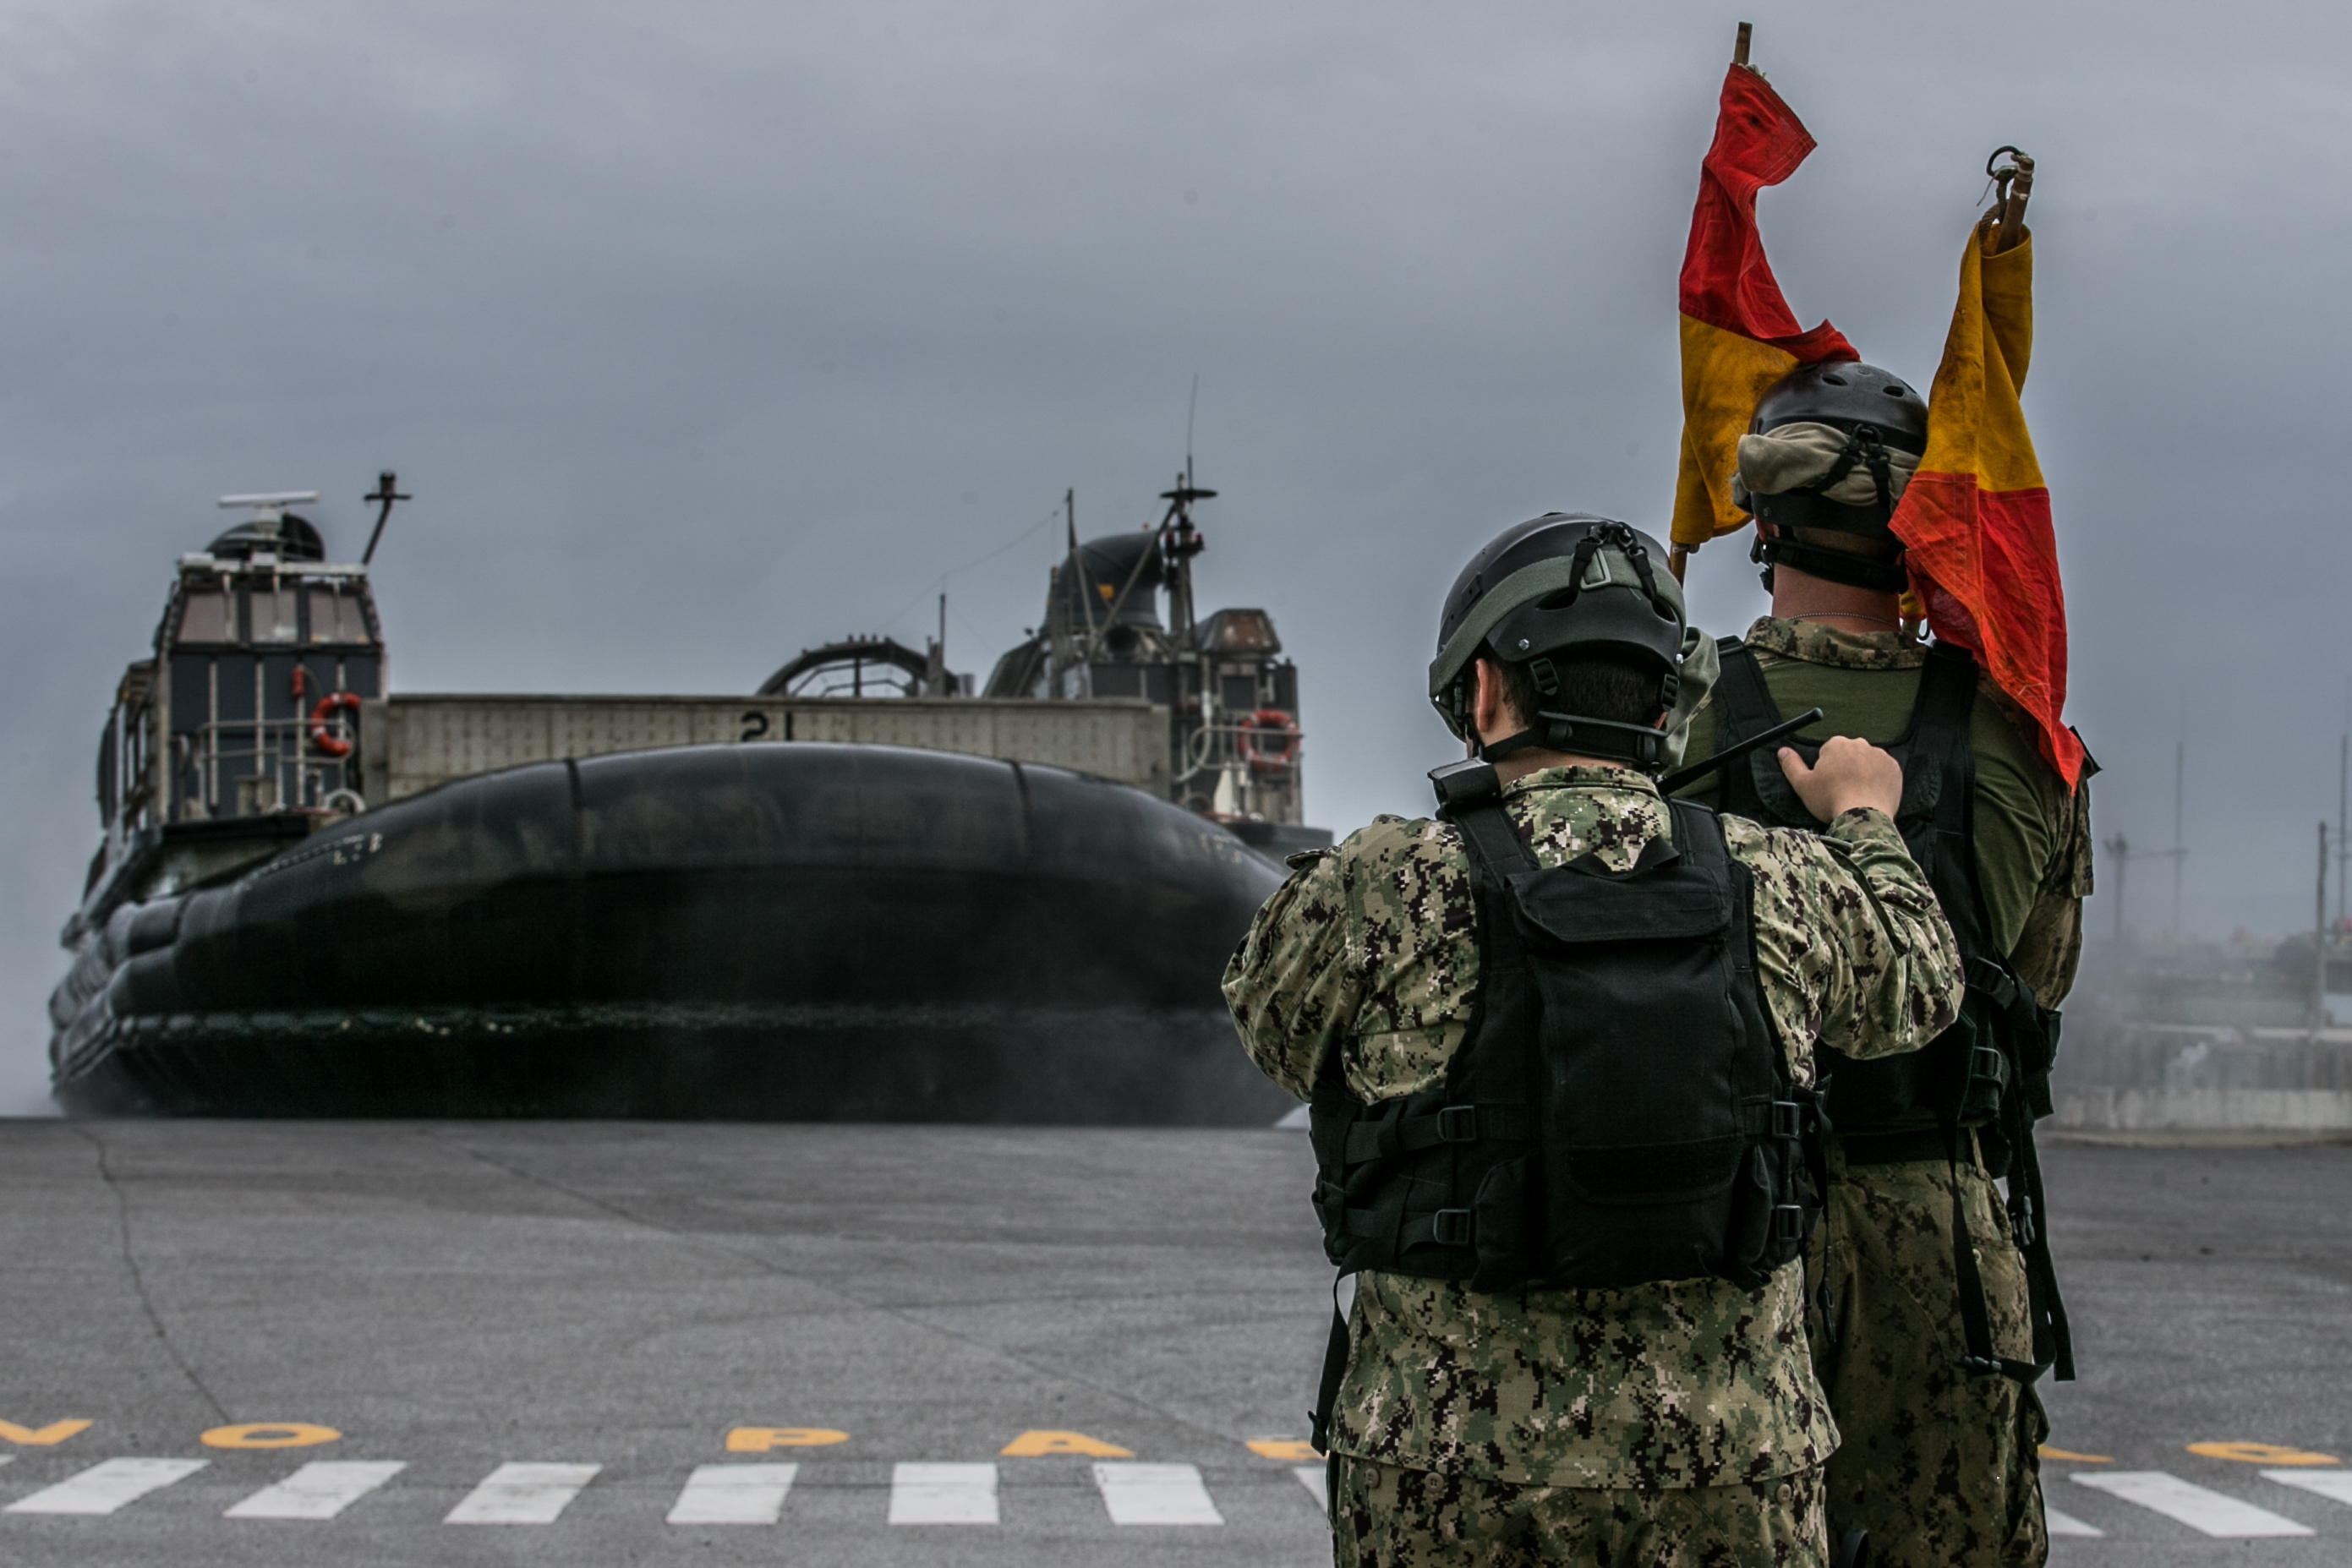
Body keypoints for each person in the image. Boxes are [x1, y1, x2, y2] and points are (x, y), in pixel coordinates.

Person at [1224, 513, 1965, 1567]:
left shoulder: (1382, 881)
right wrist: (1864, 816)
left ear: (1481, 691)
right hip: (1732, 1461)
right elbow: (1922, 989)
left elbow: (1270, 1027)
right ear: (1672, 702)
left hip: (1447, 1470)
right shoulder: (1783, 880)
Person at [1678, 360, 2096, 1568]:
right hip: (1940, 1235)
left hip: (1720, 1218)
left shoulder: (1674, 717)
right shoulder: (2024, 735)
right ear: (1926, 525)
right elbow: (2037, 977)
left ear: (1763, 521)